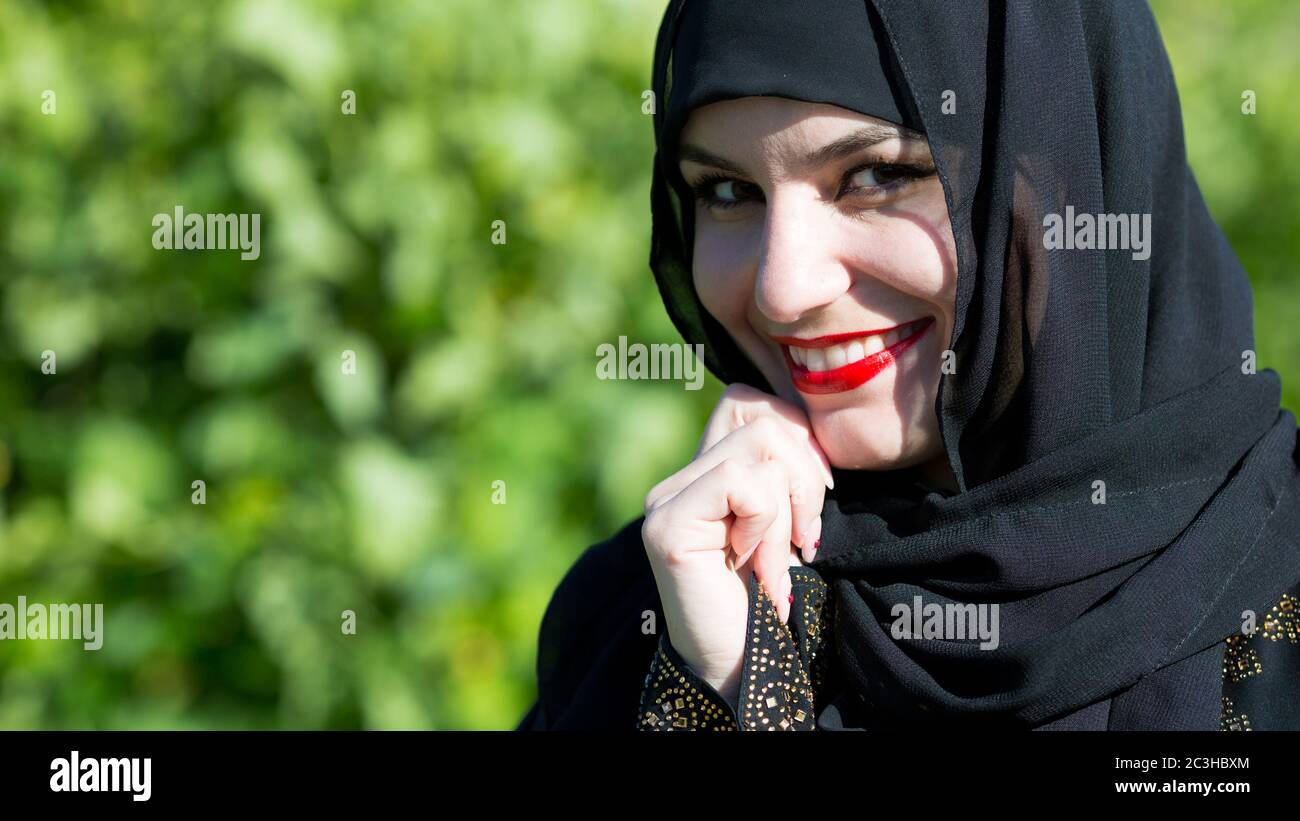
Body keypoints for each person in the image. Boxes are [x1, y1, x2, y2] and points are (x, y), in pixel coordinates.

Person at [517, 0, 1300, 730]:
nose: (782, 290)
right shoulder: (655, 609)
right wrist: (725, 689)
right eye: (726, 190)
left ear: (1072, 170)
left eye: (880, 175)